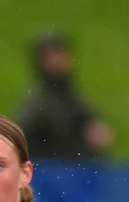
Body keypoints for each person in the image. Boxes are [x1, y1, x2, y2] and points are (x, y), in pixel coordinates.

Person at [18, 31, 113, 160]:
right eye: (52, 55)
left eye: (61, 53)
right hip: (54, 171)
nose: (58, 60)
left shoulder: (69, 93)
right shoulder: (38, 100)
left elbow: (88, 120)